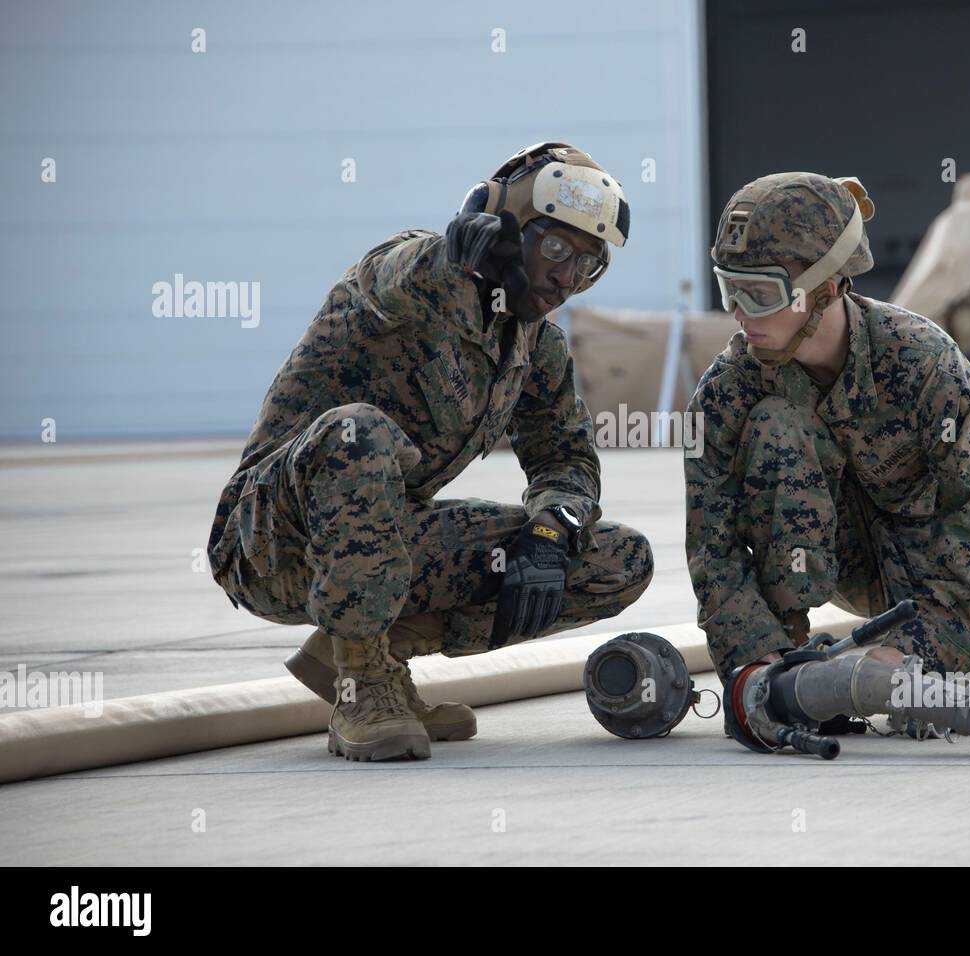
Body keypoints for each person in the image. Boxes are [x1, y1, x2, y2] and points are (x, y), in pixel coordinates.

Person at [206, 143, 653, 761]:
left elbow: (565, 458)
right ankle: (360, 681)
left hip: (383, 544)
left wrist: (552, 528)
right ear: (506, 225)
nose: (566, 276)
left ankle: (377, 657)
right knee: (359, 432)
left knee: (618, 557)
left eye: (588, 264)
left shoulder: (536, 345)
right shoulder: (408, 276)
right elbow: (398, 277)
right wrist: (454, 254)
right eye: (554, 248)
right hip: (272, 542)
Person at [685, 172, 970, 703]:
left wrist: (927, 645)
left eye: (761, 292)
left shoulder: (922, 361)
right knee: (777, 422)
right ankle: (786, 649)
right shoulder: (728, 392)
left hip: (927, 572)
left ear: (827, 288)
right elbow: (713, 548)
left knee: (932, 696)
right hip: (835, 563)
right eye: (731, 288)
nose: (740, 312)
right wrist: (755, 662)